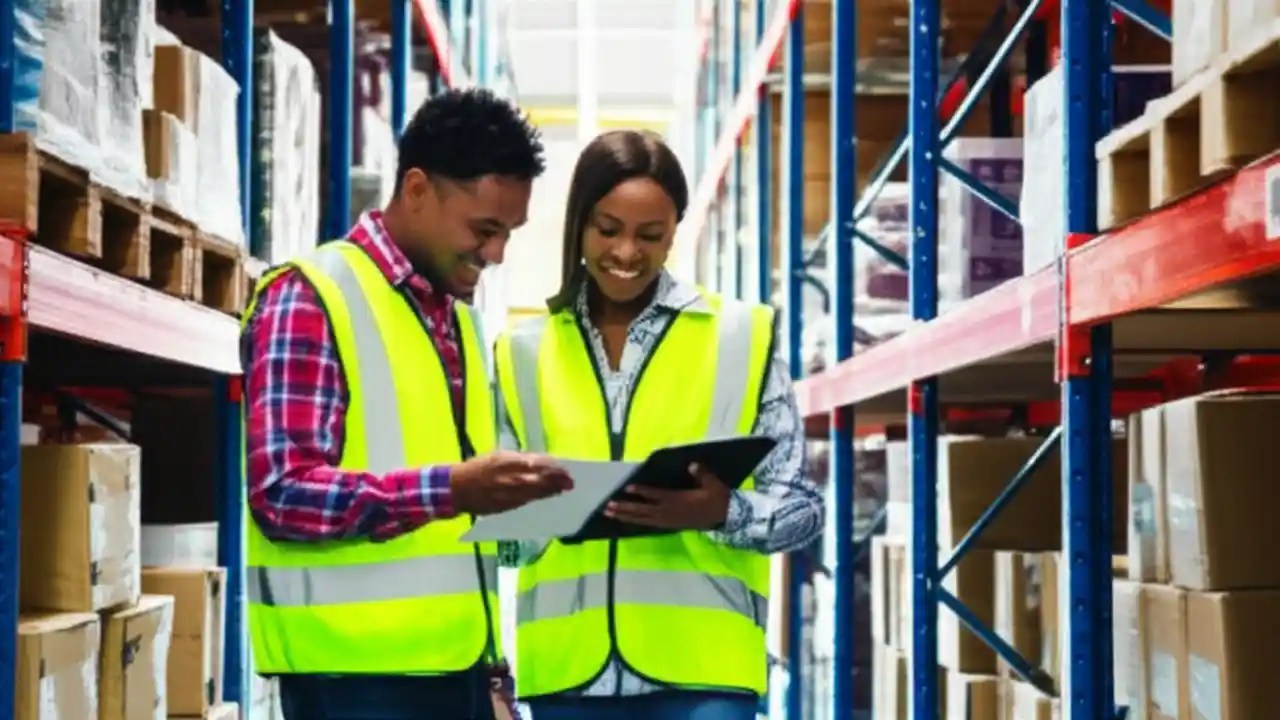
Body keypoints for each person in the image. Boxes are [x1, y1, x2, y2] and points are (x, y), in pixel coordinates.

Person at [241, 88, 573, 720]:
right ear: (417, 190)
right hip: (353, 684)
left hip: (459, 673)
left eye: (509, 234)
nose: (497, 254)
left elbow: (454, 533)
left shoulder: (462, 324)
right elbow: (281, 493)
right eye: (485, 229)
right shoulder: (310, 297)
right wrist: (453, 490)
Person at [493, 130, 825, 720]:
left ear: (676, 232)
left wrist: (723, 512)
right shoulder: (521, 352)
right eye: (607, 229)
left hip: (705, 679)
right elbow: (499, 541)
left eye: (651, 236)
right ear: (579, 225)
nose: (626, 253)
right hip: (568, 678)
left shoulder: (740, 337)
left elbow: (802, 508)